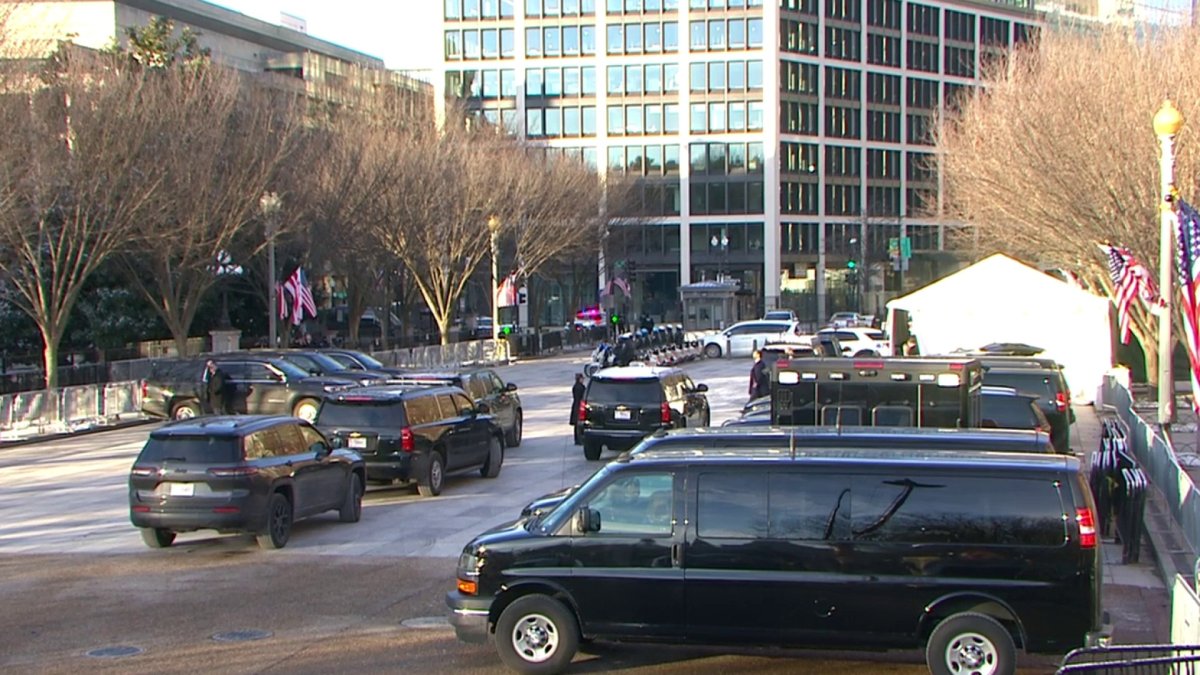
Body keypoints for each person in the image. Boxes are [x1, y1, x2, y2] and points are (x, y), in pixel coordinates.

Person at [569, 373, 586, 445]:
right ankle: (579, 439)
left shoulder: (575, 386)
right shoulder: (581, 387)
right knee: (579, 423)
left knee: (576, 424)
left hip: (575, 404)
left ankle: (577, 439)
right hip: (579, 405)